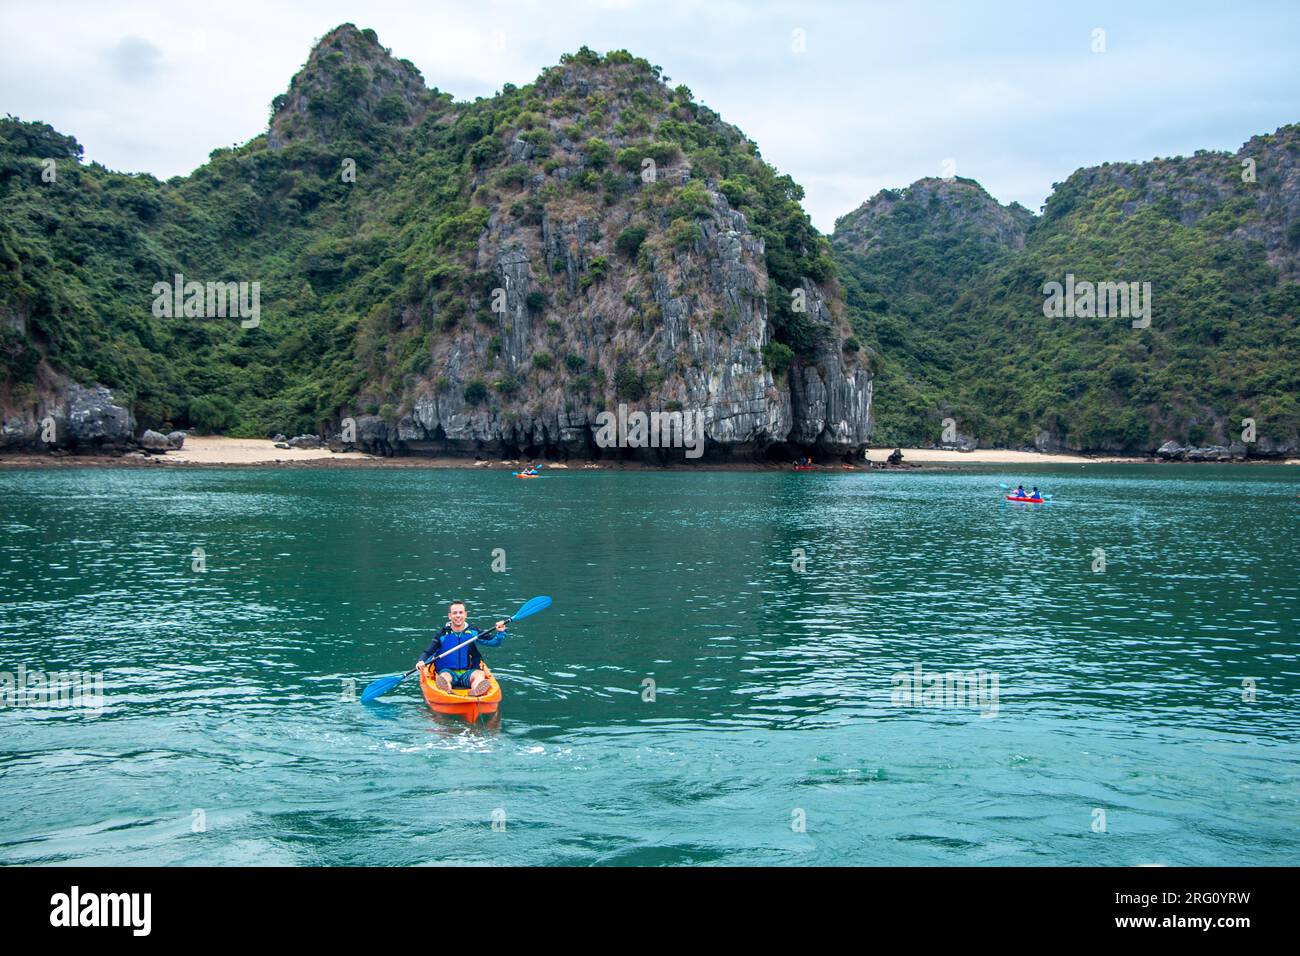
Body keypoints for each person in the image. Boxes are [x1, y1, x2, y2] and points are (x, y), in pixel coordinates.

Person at [416, 600, 506, 697]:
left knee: (479, 675)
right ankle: (447, 690)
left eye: (460, 612)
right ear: (450, 616)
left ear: (465, 614)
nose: (458, 615)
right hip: (447, 671)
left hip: (469, 671)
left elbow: (493, 642)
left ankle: (476, 690)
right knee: (444, 677)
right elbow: (429, 651)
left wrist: (500, 633)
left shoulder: (474, 631)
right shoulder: (442, 634)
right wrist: (421, 661)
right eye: (455, 613)